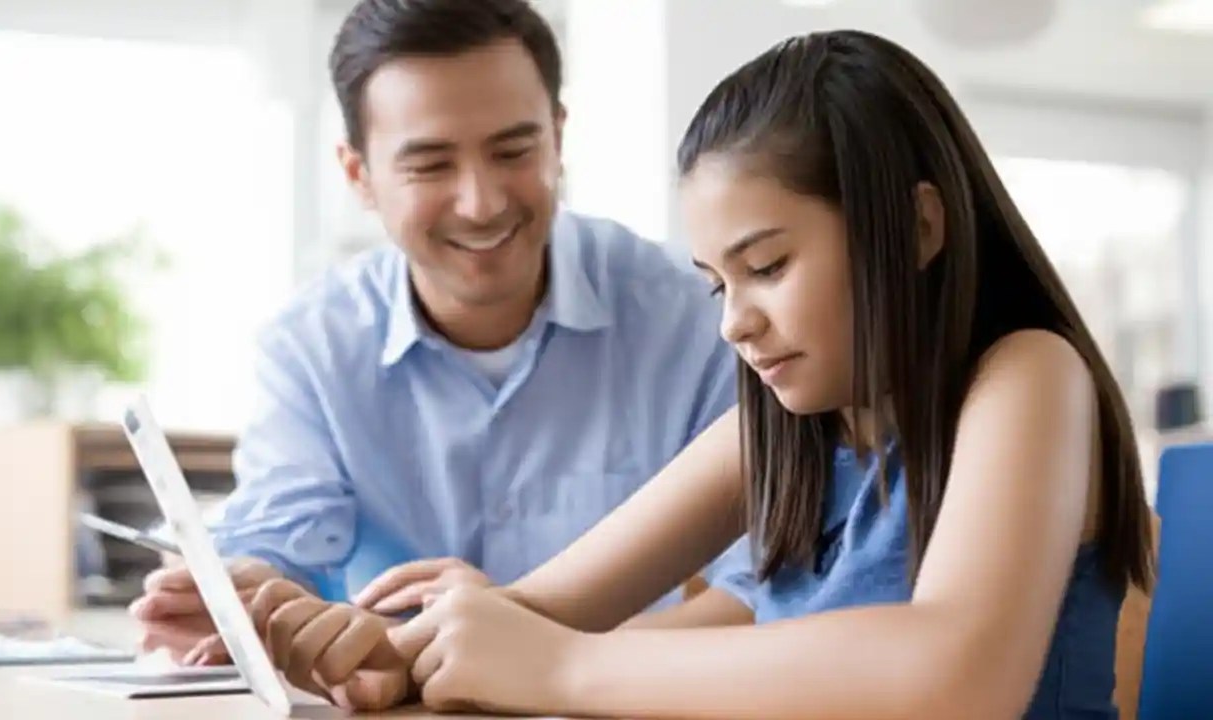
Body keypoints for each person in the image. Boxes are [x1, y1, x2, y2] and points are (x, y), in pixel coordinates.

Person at [248, 29, 1155, 719]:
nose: (734, 323)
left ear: (918, 229)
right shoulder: (785, 426)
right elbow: (537, 608)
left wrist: (562, 666)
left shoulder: (1027, 376)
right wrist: (394, 653)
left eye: (767, 267)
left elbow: (956, 676)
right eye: (719, 283)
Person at [129, 0, 744, 664]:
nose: (481, 203)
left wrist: (535, 656)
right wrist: (240, 599)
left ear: (558, 139)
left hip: (604, 695)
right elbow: (282, 545)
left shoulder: (700, 318)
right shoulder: (311, 346)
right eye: (430, 165)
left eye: (514, 151)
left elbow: (764, 592)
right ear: (359, 175)